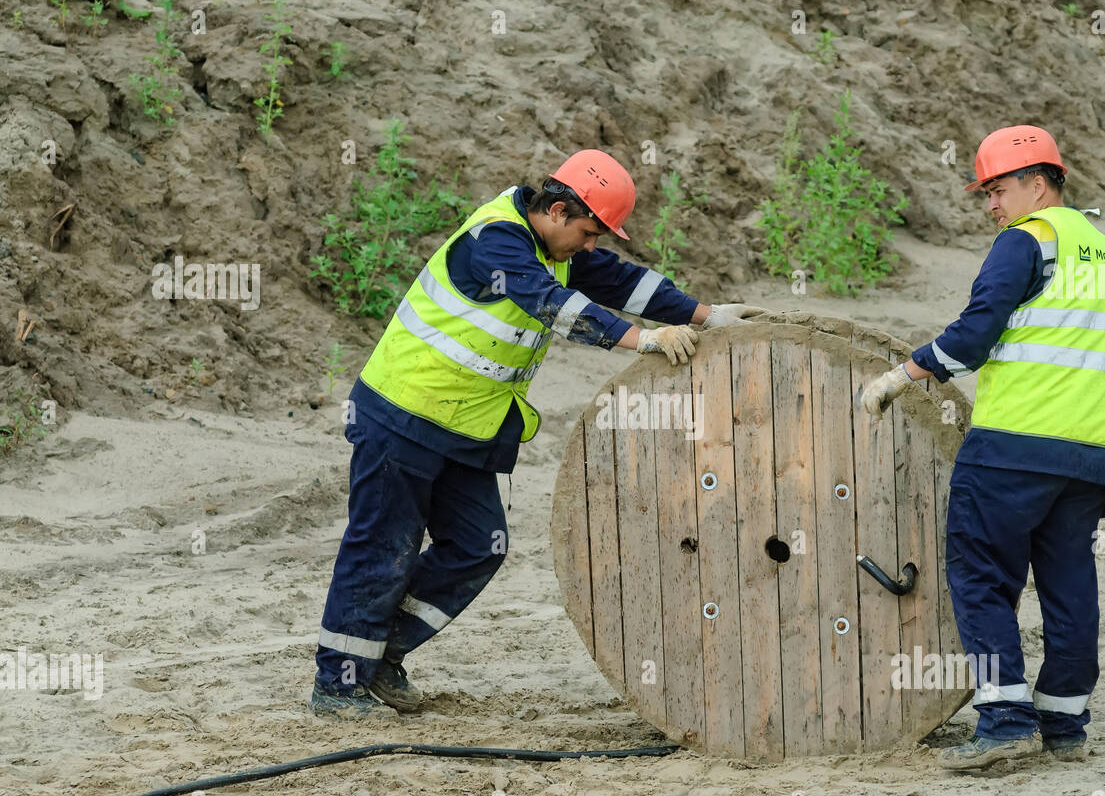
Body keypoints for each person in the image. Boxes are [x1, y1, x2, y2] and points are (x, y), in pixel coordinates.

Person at [311, 149, 766, 718]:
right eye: (588, 232)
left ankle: (381, 656)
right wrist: (642, 341)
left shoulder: (556, 247)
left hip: (466, 427)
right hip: (402, 415)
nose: (591, 246)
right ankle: (339, 684)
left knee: (479, 547)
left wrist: (707, 315)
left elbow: (625, 284)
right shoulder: (497, 242)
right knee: (382, 547)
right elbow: (552, 305)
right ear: (556, 210)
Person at [861, 125, 1105, 769]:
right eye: (985, 194)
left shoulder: (1028, 240)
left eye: (997, 189)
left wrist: (902, 375)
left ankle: (1005, 721)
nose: (991, 206)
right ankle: (1065, 723)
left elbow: (974, 334)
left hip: (1018, 442)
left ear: (1038, 183)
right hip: (1100, 451)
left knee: (981, 572)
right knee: (1069, 580)